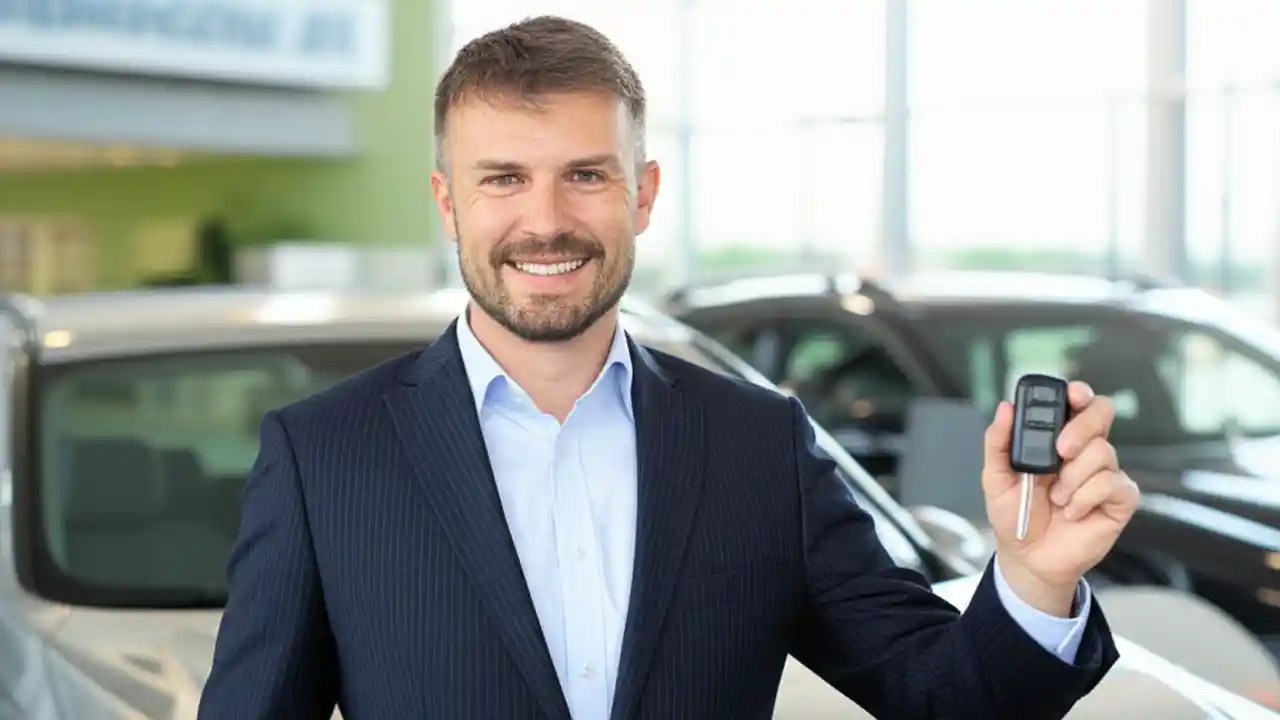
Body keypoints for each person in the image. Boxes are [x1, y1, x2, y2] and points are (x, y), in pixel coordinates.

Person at [198, 15, 1137, 720]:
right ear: (448, 202)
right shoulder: (326, 457)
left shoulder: (760, 447)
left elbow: (947, 701)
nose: (546, 219)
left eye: (587, 174)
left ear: (642, 194)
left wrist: (1035, 578)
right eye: (503, 179)